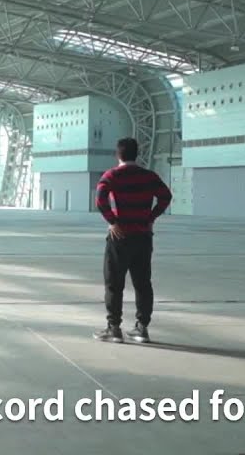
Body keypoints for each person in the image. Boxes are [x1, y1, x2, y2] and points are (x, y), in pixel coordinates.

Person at [92, 137, 173, 344]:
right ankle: (142, 328)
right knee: (143, 283)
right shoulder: (149, 176)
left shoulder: (111, 175)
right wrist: (150, 218)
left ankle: (114, 328)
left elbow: (100, 198)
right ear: (137, 154)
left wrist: (112, 221)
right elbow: (166, 196)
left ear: (117, 155)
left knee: (114, 284)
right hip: (143, 237)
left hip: (119, 237)